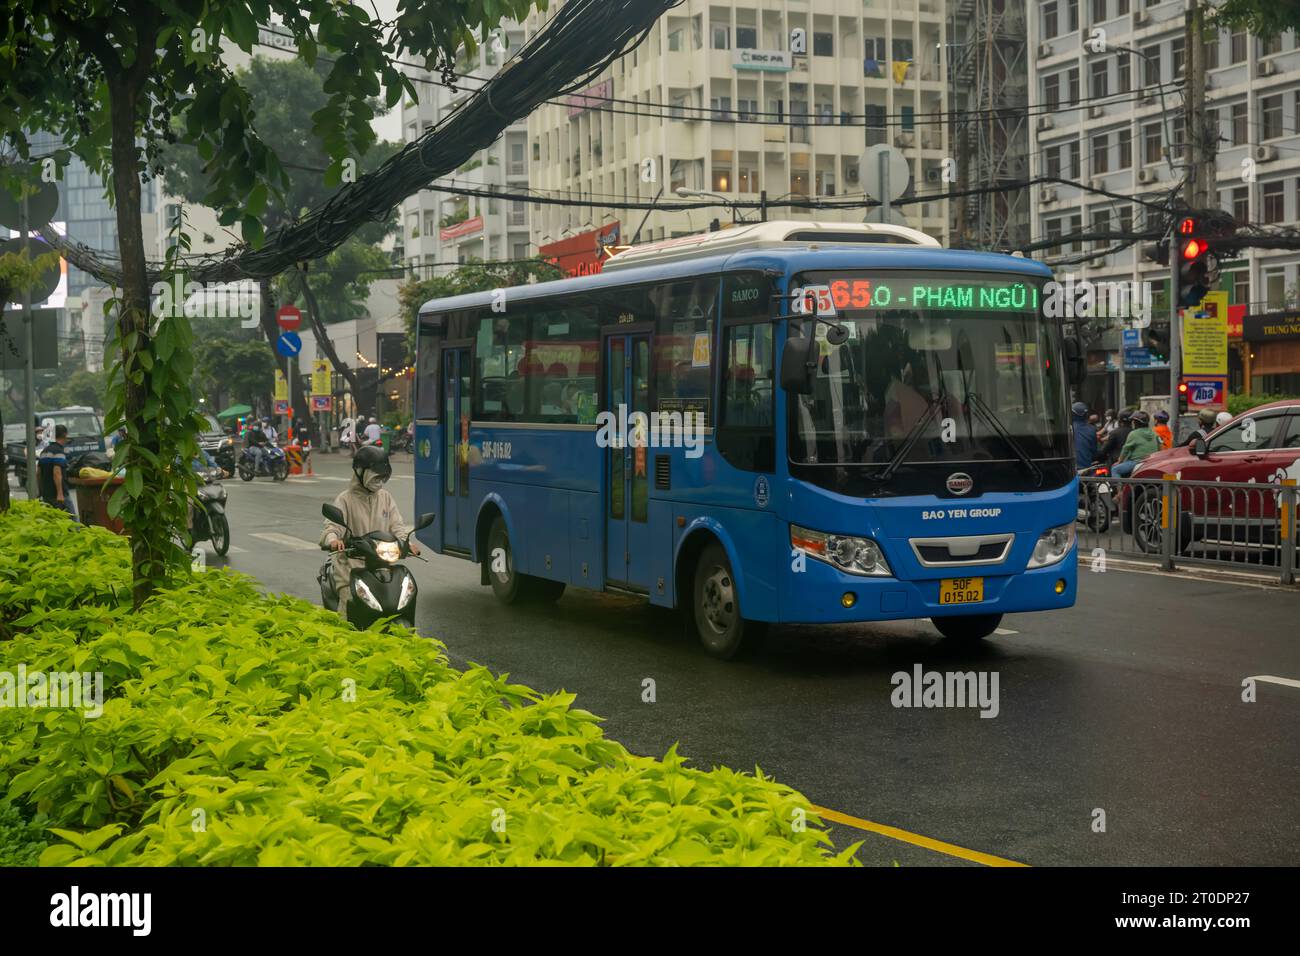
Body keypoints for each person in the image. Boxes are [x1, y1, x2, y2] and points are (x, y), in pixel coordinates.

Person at [319, 446, 419, 619]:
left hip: (380, 562)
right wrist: (333, 540)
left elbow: (397, 527)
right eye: (376, 476)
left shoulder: (385, 497)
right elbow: (332, 527)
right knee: (349, 599)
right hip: (350, 564)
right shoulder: (345, 499)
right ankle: (344, 636)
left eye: (383, 477)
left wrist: (407, 543)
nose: (379, 481)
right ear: (360, 471)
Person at [37, 424, 76, 518]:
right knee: (73, 522)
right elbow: (57, 473)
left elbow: (38, 474)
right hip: (59, 495)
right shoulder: (58, 451)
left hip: (47, 494)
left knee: (54, 520)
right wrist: (60, 494)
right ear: (65, 435)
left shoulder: (44, 451)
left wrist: (41, 491)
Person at [1112, 411, 1160, 477]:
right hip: (1151, 462)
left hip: (1137, 462)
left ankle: (1119, 487)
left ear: (1136, 422)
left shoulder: (1133, 434)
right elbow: (1160, 448)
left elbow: (1125, 449)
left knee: (1115, 469)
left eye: (1133, 421)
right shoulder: (1154, 433)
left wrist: (1119, 461)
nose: (1133, 423)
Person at [1072, 401, 1098, 468]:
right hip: (1086, 467)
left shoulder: (1068, 428)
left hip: (1070, 467)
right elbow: (1094, 451)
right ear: (1087, 415)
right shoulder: (1092, 429)